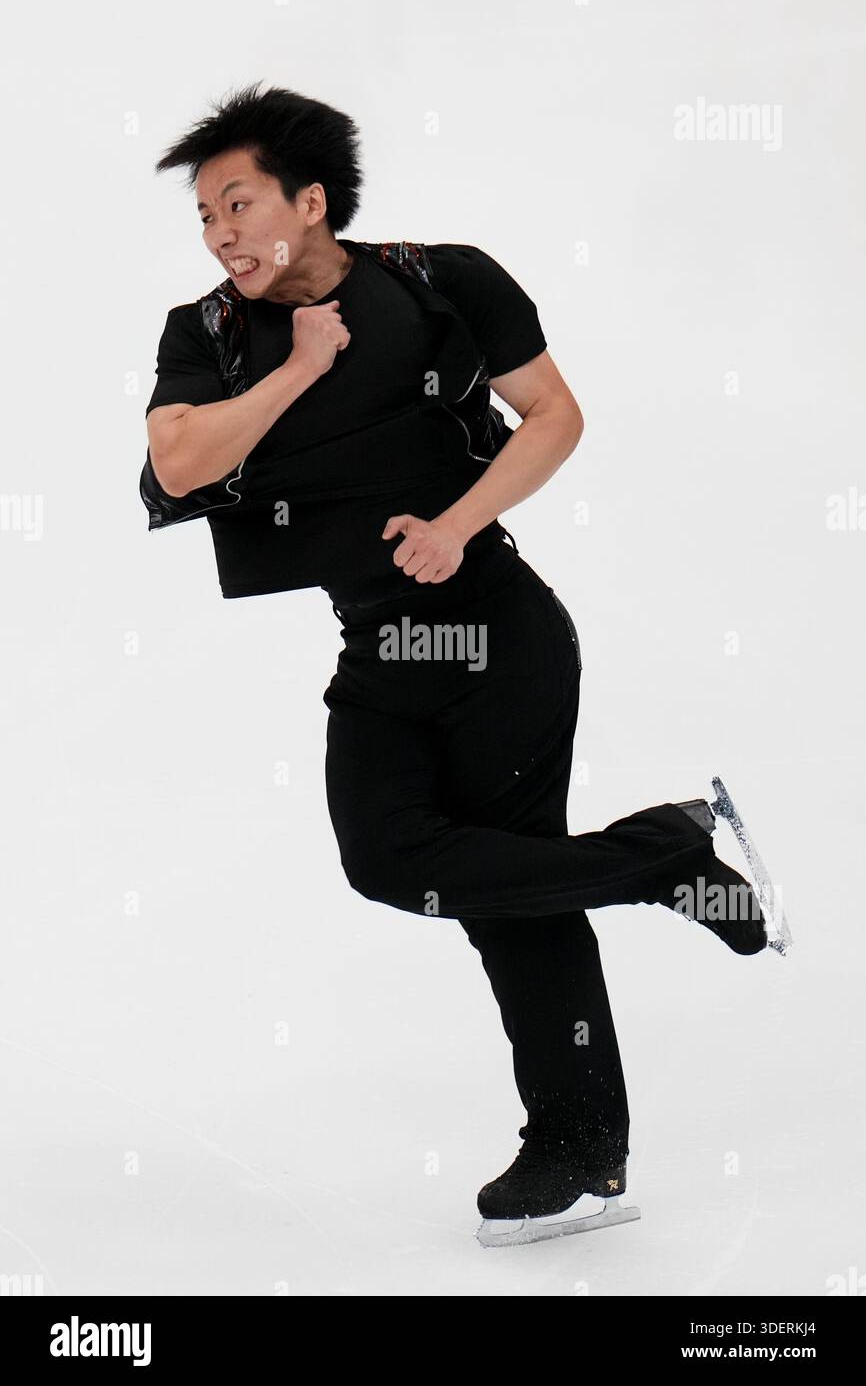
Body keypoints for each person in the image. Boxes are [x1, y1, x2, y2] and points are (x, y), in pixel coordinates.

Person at [142, 82, 783, 1247]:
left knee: (511, 905)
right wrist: (297, 368)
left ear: (312, 200)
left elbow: (551, 414)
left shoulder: (443, 280)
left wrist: (459, 523)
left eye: (237, 203)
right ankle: (668, 856)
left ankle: (580, 1155)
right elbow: (179, 464)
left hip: (501, 638)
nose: (219, 232)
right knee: (389, 857)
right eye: (202, 217)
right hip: (375, 648)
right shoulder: (213, 335)